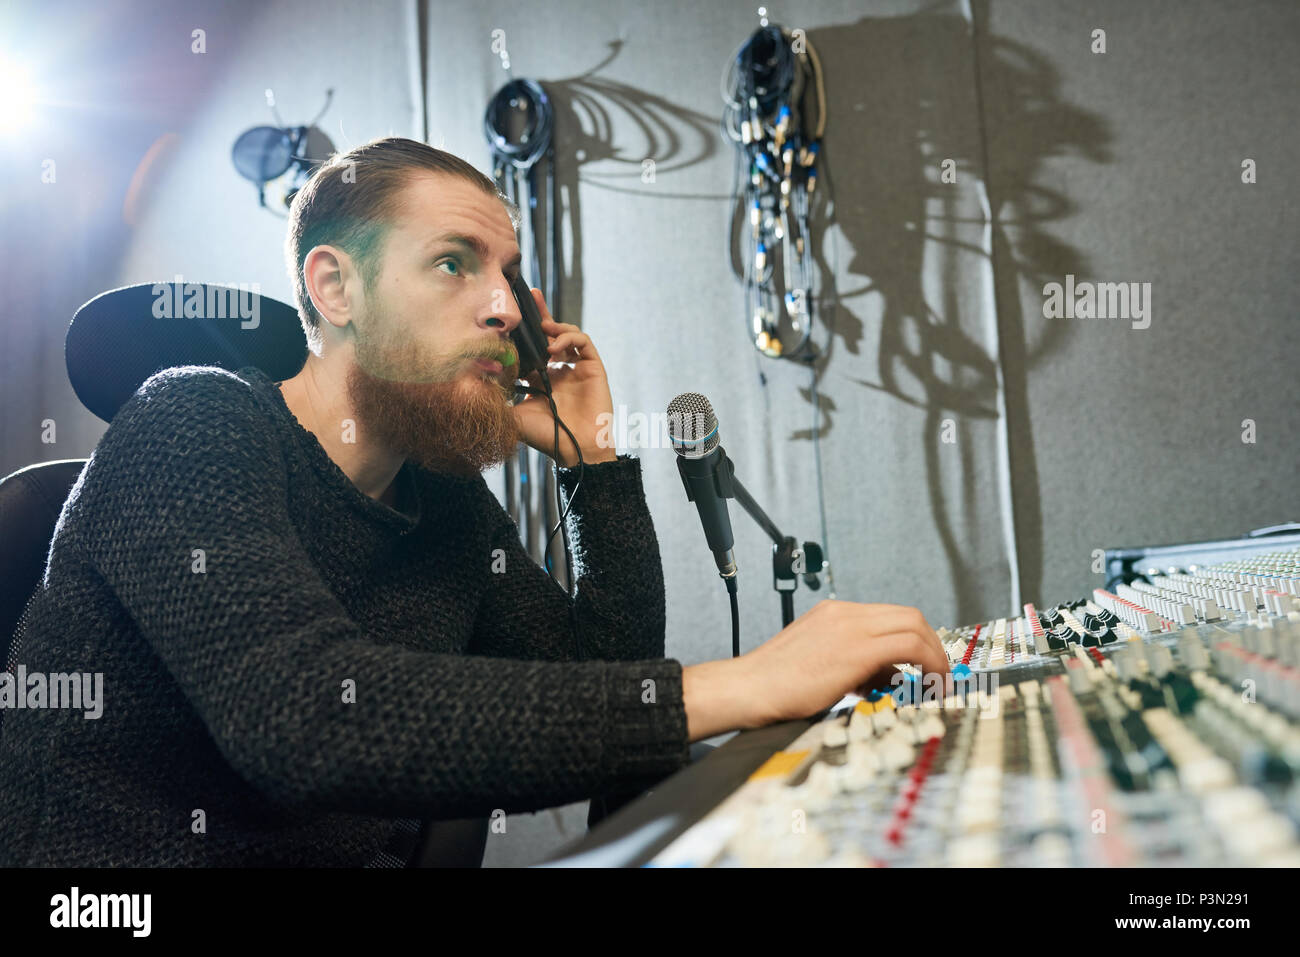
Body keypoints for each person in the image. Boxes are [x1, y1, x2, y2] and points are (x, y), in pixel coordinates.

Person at [0, 137, 949, 867]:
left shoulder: (442, 504)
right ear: (335, 286)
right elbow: (305, 718)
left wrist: (593, 459)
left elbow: (604, 676)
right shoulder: (191, 421)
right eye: (456, 263)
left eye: (507, 273)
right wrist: (744, 683)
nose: (505, 308)